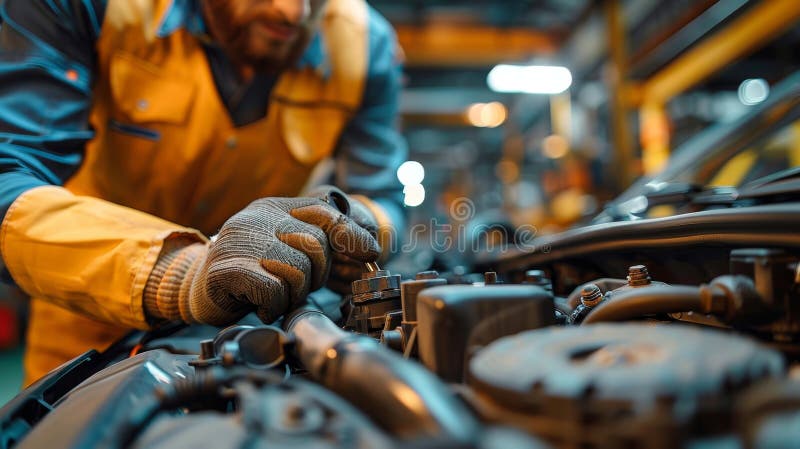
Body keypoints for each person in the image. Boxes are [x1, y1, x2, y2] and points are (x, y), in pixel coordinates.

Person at [0, 0, 406, 385]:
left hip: (260, 333)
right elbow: (8, 181)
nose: (292, 12)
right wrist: (180, 272)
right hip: (86, 333)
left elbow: (383, 196)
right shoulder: (97, 8)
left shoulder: (365, 45)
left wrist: (358, 225)